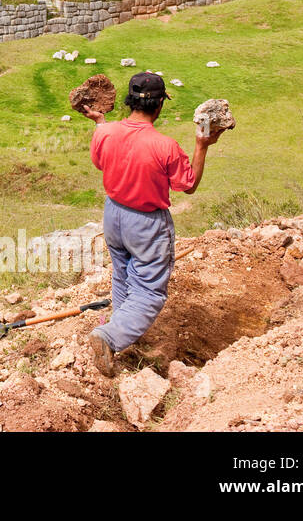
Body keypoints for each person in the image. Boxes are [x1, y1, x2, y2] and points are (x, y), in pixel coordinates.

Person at [81, 72, 222, 376]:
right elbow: (189, 185)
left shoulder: (104, 133)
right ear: (159, 105)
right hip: (146, 223)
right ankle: (109, 336)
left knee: (122, 276)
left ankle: (121, 329)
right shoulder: (165, 146)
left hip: (114, 215)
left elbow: (100, 159)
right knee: (148, 291)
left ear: (130, 101)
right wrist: (202, 144)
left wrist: (101, 122)